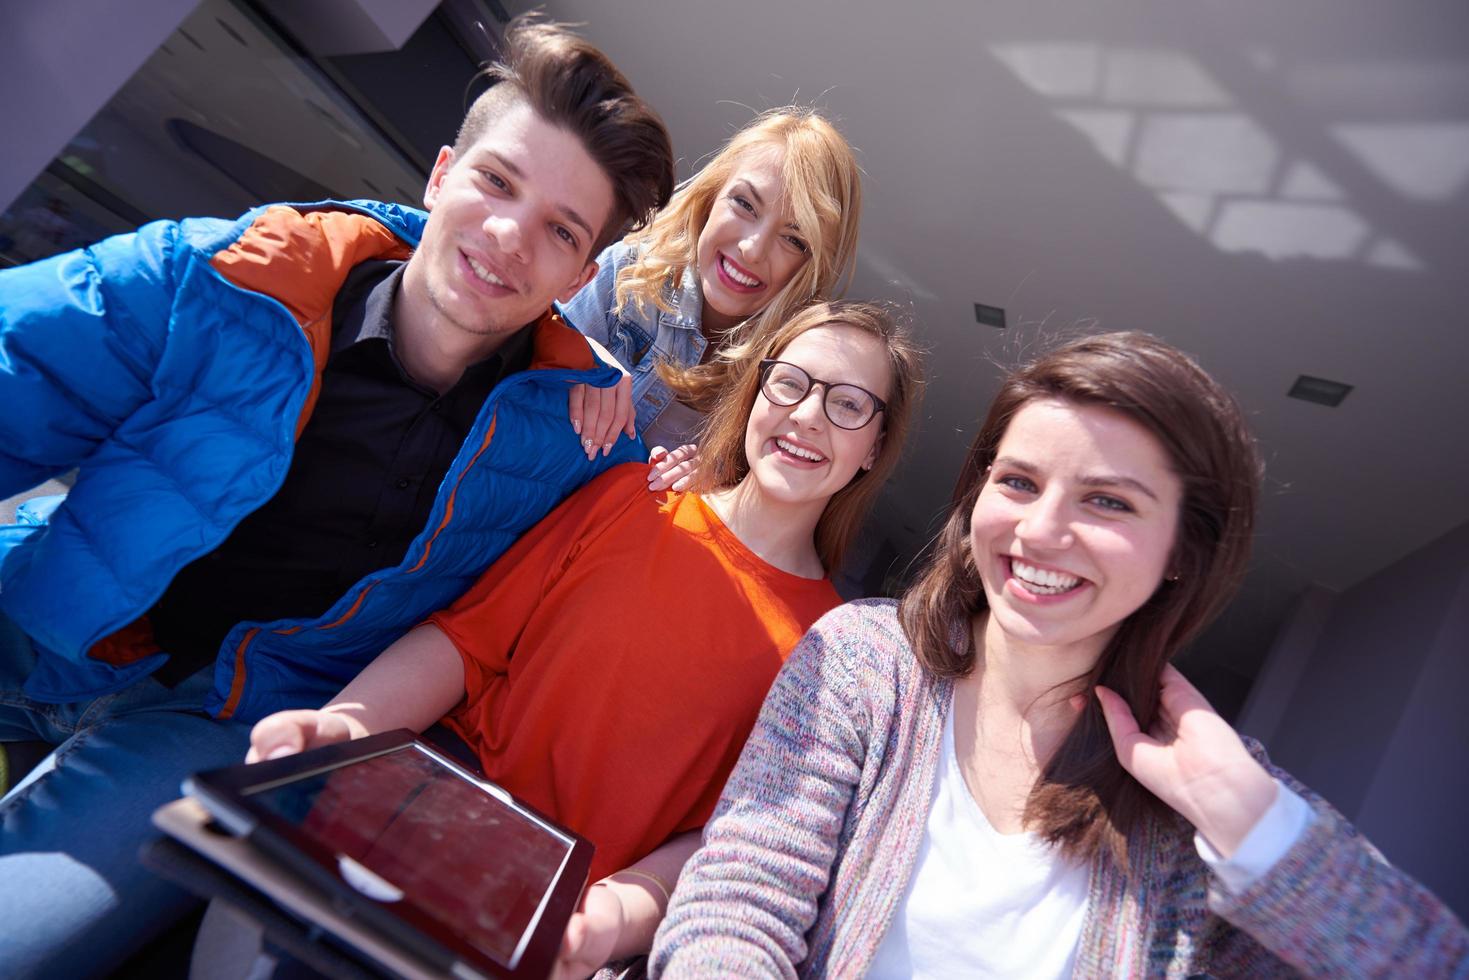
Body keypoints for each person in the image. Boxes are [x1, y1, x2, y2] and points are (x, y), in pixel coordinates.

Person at [0, 17, 674, 974]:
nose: (508, 237)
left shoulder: (578, 445)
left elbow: (666, 558)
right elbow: (19, 365)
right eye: (495, 182)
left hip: (222, 724)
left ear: (580, 273)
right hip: (36, 615)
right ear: (441, 175)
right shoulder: (243, 276)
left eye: (561, 231)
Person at [650, 332, 1469, 978]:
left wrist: (1250, 819)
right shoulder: (867, 661)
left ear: (1182, 550)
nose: (1040, 531)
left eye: (1107, 501)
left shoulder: (1213, 808)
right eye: (1017, 482)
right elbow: (736, 903)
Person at [247, 300, 923, 978]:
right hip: (418, 825)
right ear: (754, 392)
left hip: (550, 925)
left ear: (874, 447)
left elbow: (721, 842)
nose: (807, 415)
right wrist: (343, 729)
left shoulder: (833, 652)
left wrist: (606, 921)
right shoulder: (632, 497)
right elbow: (466, 641)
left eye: (848, 405)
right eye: (790, 382)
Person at [559, 107, 862, 482]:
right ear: (711, 196)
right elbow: (526, 354)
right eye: (745, 204)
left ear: (813, 266)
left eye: (793, 239)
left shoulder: (791, 382)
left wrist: (721, 483)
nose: (753, 249)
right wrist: (587, 358)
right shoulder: (628, 270)